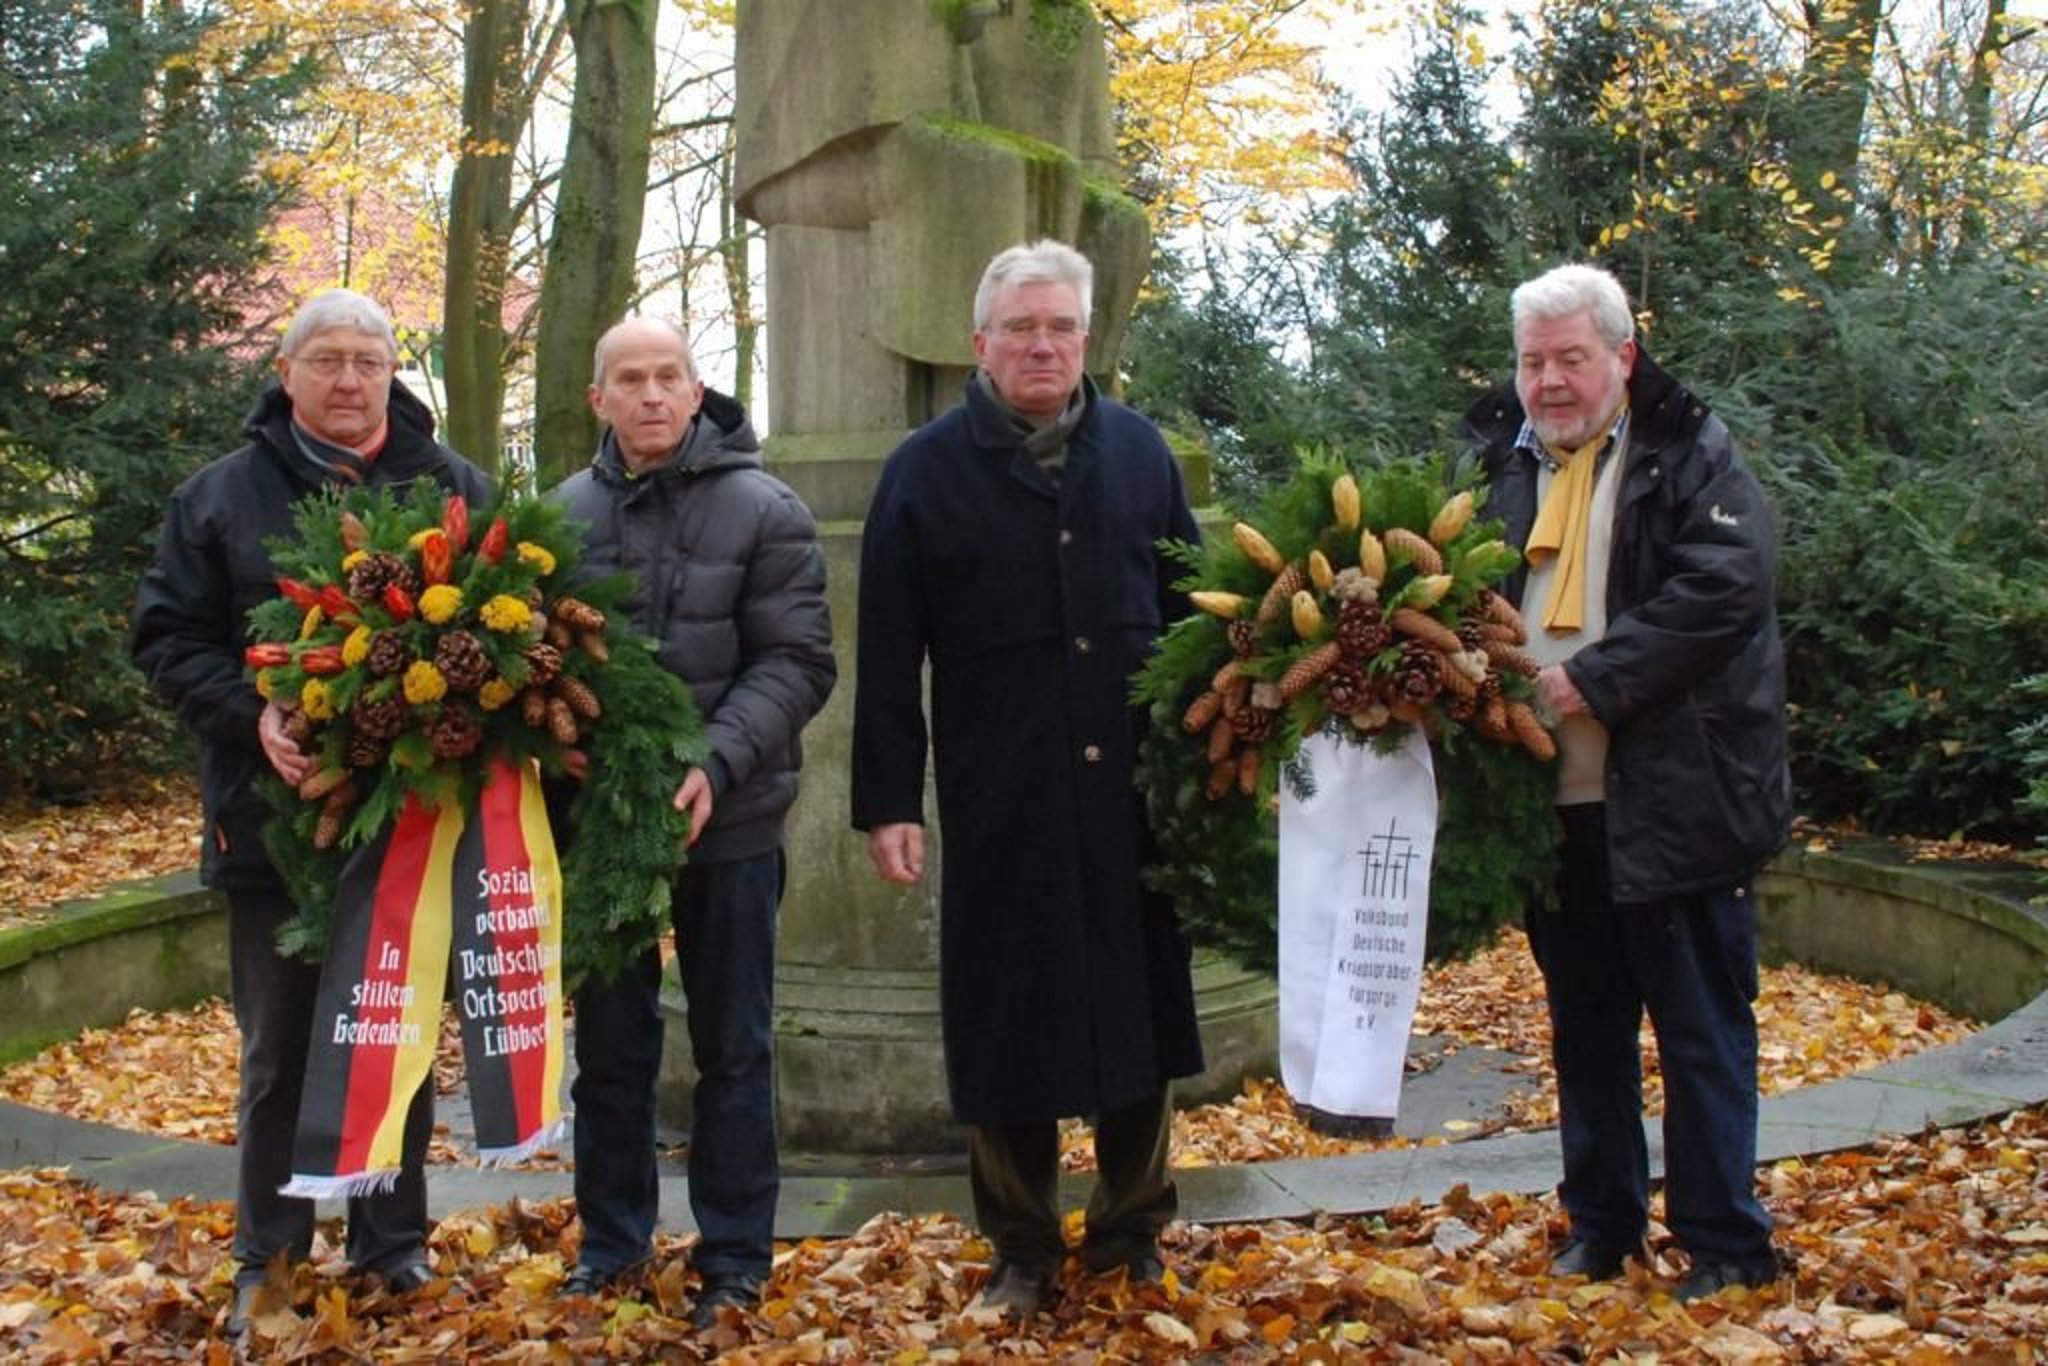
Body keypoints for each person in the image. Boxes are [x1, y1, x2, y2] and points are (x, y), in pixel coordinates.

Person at [851, 240, 1205, 1317]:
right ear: (980, 343)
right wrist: (887, 802)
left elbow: (1196, 616)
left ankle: (1131, 1231)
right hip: (1001, 790)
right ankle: (1020, 1245)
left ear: (1086, 337)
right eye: (1020, 328)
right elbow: (887, 652)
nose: (1041, 345)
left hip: (1134, 791)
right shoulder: (922, 471)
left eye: (1059, 326)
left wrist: (1214, 763)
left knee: (1140, 1011)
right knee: (1005, 1018)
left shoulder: (1140, 453)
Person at [131, 288, 492, 1335]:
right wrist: (253, 715)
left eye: (367, 362)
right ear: (285, 372)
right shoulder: (217, 497)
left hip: (412, 824)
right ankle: (271, 1254)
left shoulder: (454, 489)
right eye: (326, 359)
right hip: (269, 822)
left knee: (398, 1036)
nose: (347, 380)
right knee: (280, 1051)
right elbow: (165, 638)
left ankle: (393, 1241)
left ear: (392, 376)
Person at [1463, 263, 1791, 1302]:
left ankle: (1725, 1245)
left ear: (1622, 357)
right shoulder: (1497, 463)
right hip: (1554, 808)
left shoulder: (1688, 449)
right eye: (1532, 362)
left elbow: (1726, 585)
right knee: (1586, 1033)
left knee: (1699, 1033)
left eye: (1571, 358)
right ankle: (1602, 1227)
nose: (1548, 381)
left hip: (1678, 801)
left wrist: (1592, 679)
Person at [548, 318, 835, 1329]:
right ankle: (611, 1245)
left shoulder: (767, 509)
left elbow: (797, 661)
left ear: (697, 388)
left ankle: (735, 1258)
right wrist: (551, 739)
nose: (652, 395)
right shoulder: (558, 518)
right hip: (601, 825)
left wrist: (714, 759)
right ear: (599, 399)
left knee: (735, 1049)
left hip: (734, 818)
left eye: (668, 376)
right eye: (629, 379)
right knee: (611, 1050)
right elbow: (535, 669)